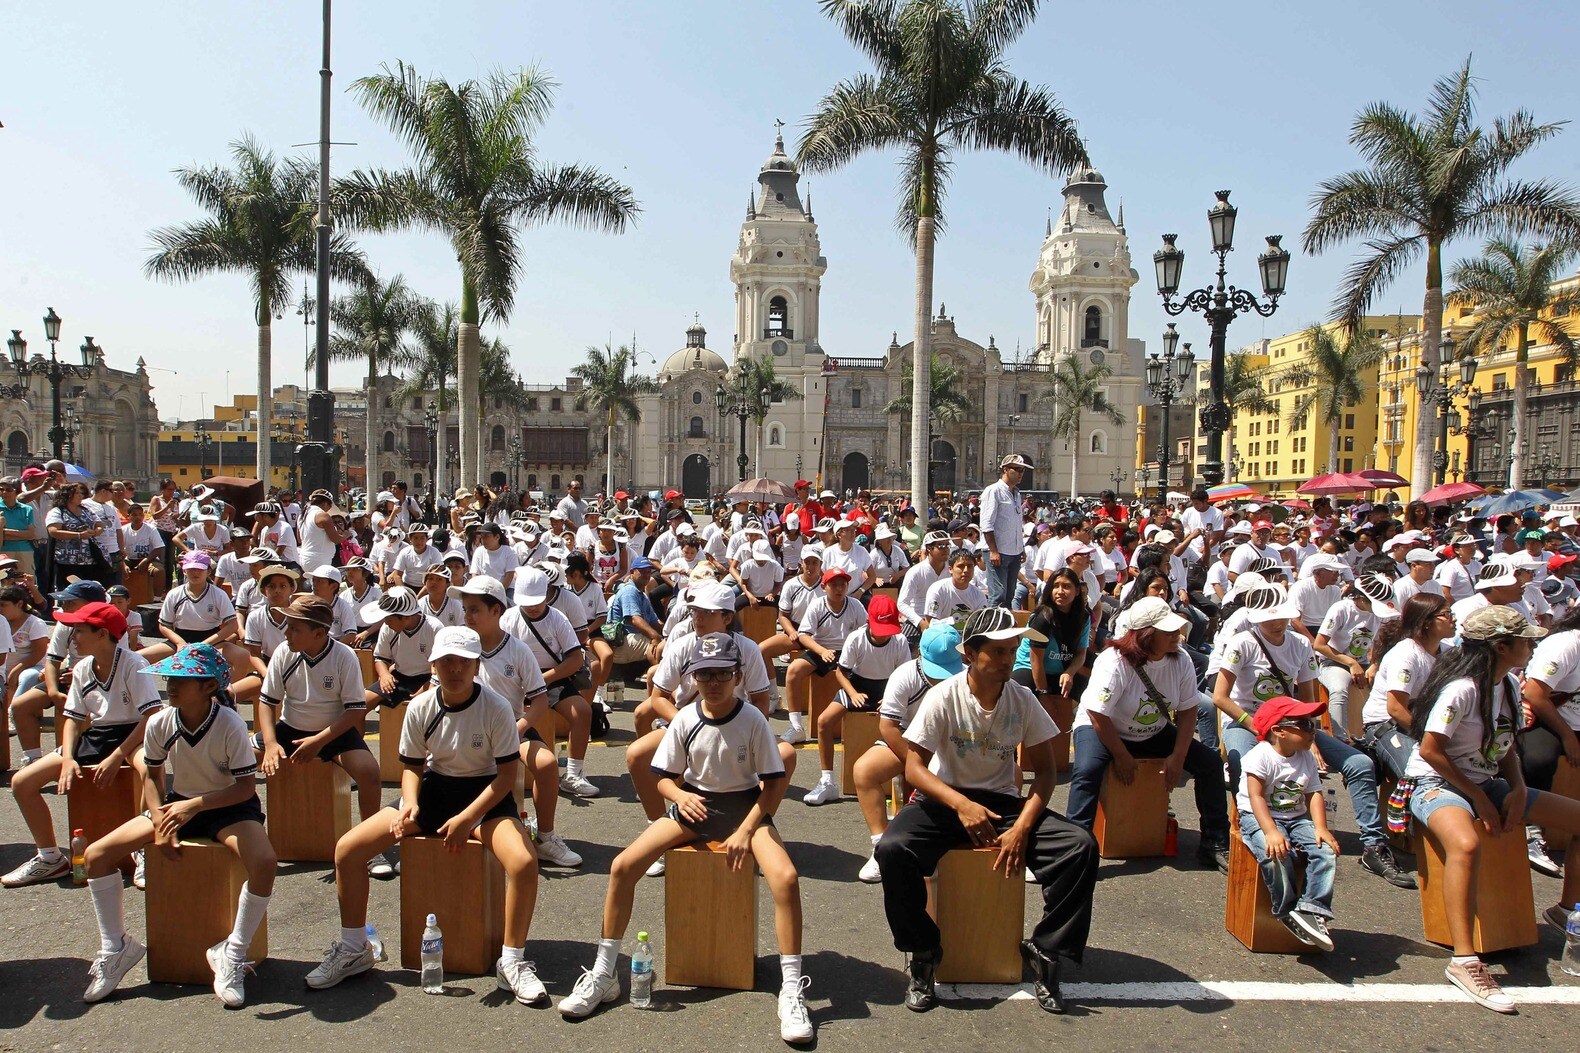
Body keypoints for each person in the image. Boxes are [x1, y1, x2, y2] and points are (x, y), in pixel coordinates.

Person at [556, 632, 812, 1044]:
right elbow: (662, 779)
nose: (713, 683)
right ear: (692, 676)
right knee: (623, 866)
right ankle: (604, 972)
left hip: (743, 809)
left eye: (722, 675)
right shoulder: (688, 717)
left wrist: (748, 828)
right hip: (694, 808)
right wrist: (680, 795)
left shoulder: (753, 721)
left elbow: (771, 784)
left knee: (785, 878)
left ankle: (791, 988)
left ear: (737, 675)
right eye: (704, 674)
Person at [306, 625, 547, 1004]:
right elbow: (411, 768)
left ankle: (512, 960)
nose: (455, 669)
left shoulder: (497, 707)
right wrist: (411, 802)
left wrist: (469, 818)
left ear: (476, 665)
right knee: (348, 849)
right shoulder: (420, 707)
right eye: (447, 661)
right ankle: (355, 948)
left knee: (522, 863)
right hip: (433, 794)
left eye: (464, 662)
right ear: (433, 664)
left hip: (484, 799)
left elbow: (505, 778)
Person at [876, 606, 1097, 1014]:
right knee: (892, 850)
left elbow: (1046, 773)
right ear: (969, 655)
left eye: (1012, 649)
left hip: (1001, 804)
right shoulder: (944, 696)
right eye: (996, 651)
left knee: (1079, 846)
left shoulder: (1023, 698)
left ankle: (1046, 950)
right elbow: (914, 767)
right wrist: (960, 805)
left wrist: (1022, 828)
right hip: (944, 799)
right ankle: (923, 952)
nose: (1007, 659)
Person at [1402, 605, 1580, 1013]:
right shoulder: (1462, 688)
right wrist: (1480, 797)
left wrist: (1517, 787)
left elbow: (1505, 746)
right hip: (1435, 783)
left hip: (1487, 781)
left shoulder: (1509, 685)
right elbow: (1431, 751)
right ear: (1501, 646)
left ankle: (1567, 910)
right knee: (1465, 845)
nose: (1533, 645)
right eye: (1525, 640)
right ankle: (1464, 962)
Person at [78, 643, 276, 1006]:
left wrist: (193, 807)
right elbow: (153, 779)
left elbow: (245, 787)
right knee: (96, 855)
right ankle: (116, 947)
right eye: (169, 676)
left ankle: (232, 952)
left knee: (263, 862)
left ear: (208, 686)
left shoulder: (230, 723)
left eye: (182, 678)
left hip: (228, 807)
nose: (170, 683)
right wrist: (159, 820)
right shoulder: (159, 722)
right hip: (175, 805)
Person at [1213, 584, 1415, 889]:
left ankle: (1373, 844)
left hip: (1293, 723)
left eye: (1282, 616)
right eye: (1270, 618)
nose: (1277, 623)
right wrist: (1256, 726)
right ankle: (1249, 833)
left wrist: (1310, 735)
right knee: (1243, 762)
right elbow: (1220, 697)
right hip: (1247, 722)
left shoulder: (1299, 644)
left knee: (1359, 763)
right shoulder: (1243, 643)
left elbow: (1306, 698)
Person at [3, 602, 159, 889]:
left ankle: (143, 850)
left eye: (79, 630)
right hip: (98, 734)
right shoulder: (83, 667)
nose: (72, 636)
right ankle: (50, 857)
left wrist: (118, 755)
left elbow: (151, 716)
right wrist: (66, 758)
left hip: (133, 734)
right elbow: (73, 719)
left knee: (150, 769)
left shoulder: (134, 663)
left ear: (102, 634)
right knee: (23, 782)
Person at [1067, 597, 1231, 871]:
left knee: (1210, 764)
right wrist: (1121, 755)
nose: (1177, 636)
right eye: (1168, 632)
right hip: (1101, 726)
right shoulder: (1114, 661)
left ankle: (1215, 841)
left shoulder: (1182, 660)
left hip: (1152, 730)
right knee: (1087, 771)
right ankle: (1075, 849)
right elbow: (1097, 713)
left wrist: (1178, 757)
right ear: (1146, 635)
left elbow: (1189, 710)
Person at [256, 594, 386, 865]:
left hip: (335, 732)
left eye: (294, 627)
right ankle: (250, 835)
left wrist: (319, 741)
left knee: (370, 773)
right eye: (287, 625)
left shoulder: (344, 656)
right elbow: (267, 702)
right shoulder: (284, 652)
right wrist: (269, 743)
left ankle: (371, 847)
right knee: (238, 758)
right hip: (290, 729)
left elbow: (354, 710)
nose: (286, 632)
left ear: (319, 633)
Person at [853, 624, 963, 883]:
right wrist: (915, 764)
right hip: (908, 739)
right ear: (920, 656)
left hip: (951, 742)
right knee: (864, 770)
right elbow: (887, 725)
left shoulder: (966, 675)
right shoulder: (905, 675)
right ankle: (880, 846)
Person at [1236, 694, 1340, 952]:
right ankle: (1287, 911)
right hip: (1259, 817)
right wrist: (1270, 832)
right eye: (1304, 725)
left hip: (1295, 817)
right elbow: (1256, 796)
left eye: (1312, 724)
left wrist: (1321, 828)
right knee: (1277, 855)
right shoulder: (1260, 756)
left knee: (1325, 852)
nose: (1311, 730)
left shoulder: (1304, 755)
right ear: (1279, 731)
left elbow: (1314, 793)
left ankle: (1312, 909)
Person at [805, 594, 912, 805]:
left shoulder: (900, 641)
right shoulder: (856, 638)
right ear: (868, 621)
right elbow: (841, 673)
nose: (883, 636)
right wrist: (853, 694)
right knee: (824, 721)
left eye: (887, 630)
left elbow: (903, 677)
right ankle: (827, 781)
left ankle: (904, 784)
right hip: (857, 685)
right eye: (880, 630)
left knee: (908, 727)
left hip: (888, 688)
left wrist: (891, 699)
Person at [503, 568, 600, 798]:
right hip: (516, 676)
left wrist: (541, 680)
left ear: (547, 594)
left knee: (582, 712)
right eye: (527, 602)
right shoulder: (509, 618)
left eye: (536, 601)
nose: (532, 607)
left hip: (551, 675)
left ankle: (573, 774)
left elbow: (575, 659)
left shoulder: (558, 618)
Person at [1515, 602, 1580, 877]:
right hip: (1548, 717)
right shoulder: (1565, 645)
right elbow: (1535, 693)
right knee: (1537, 759)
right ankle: (1530, 829)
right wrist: (1568, 737)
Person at [1358, 593, 1453, 780]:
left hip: (1424, 723)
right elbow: (1395, 708)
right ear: (1426, 621)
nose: (1453, 619)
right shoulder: (1406, 655)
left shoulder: (1449, 653)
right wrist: (1429, 738)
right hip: (1387, 724)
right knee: (1418, 774)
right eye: (1447, 614)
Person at [782, 567, 867, 745]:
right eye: (833, 584)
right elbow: (804, 634)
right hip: (822, 649)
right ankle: (796, 726)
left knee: (866, 675)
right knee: (793, 670)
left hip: (848, 652)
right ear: (823, 587)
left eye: (842, 584)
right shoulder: (817, 605)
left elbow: (866, 629)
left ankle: (856, 727)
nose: (838, 588)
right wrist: (822, 651)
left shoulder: (855, 605)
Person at [1312, 574, 1399, 739]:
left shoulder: (1379, 615)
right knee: (1339, 689)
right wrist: (1351, 663)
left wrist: (1375, 665)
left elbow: (1380, 642)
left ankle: (1382, 734)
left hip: (1365, 662)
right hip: (1334, 661)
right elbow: (1319, 645)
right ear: (1362, 598)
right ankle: (1340, 738)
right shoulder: (1342, 609)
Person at [979, 454, 1031, 607]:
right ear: (1005, 469)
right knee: (998, 595)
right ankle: (994, 628)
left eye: (1022, 470)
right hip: (998, 551)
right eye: (1017, 469)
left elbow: (1016, 523)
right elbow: (987, 524)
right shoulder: (993, 491)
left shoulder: (1017, 494)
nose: (1021, 473)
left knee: (1010, 593)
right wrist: (993, 550)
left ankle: (1006, 627)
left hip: (1013, 551)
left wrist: (1021, 548)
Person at [896, 530, 951, 643]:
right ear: (929, 549)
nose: (946, 549)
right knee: (904, 643)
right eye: (940, 545)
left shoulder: (951, 570)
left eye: (947, 545)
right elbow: (902, 603)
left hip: (946, 619)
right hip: (920, 617)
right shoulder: (915, 572)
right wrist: (920, 622)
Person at [920, 548, 987, 631]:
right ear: (950, 569)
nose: (966, 570)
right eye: (961, 566)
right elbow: (930, 621)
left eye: (970, 566)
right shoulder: (938, 590)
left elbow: (982, 624)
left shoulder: (979, 595)